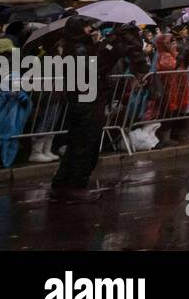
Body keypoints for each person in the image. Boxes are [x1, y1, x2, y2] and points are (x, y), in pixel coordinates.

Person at [51, 20, 149, 202]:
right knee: (85, 143)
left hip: (84, 100)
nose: (91, 29)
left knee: (77, 143)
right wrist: (106, 49)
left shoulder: (78, 47)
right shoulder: (77, 49)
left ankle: (62, 185)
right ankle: (74, 186)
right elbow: (92, 70)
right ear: (78, 30)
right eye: (87, 26)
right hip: (86, 102)